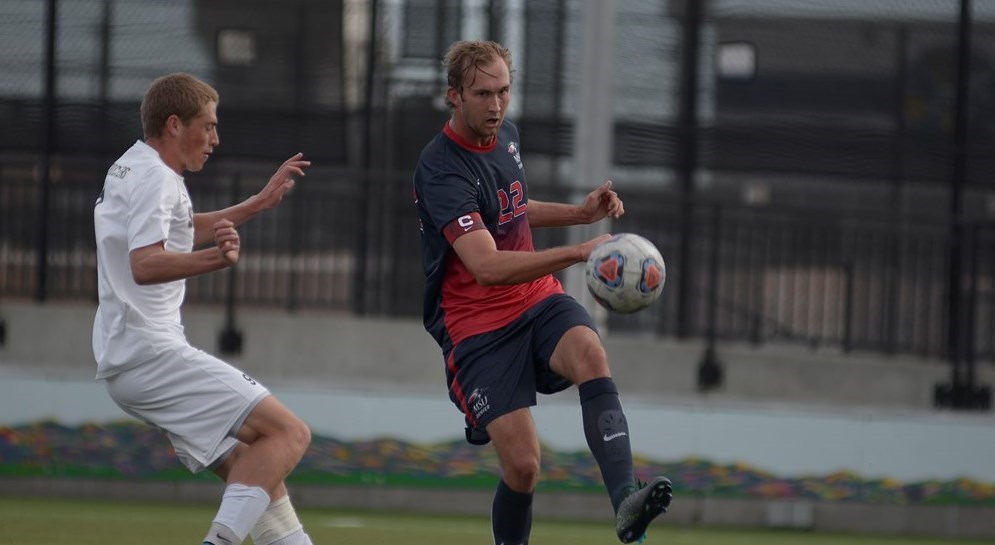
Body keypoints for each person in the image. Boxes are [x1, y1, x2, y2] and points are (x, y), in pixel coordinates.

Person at [412, 40, 672, 544]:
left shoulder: (505, 134)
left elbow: (510, 207)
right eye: (483, 94)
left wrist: (580, 213)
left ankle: (625, 503)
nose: (496, 105)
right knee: (525, 467)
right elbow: (485, 266)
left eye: (504, 91)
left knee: (590, 352)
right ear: (454, 95)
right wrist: (580, 251)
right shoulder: (440, 167)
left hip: (534, 299)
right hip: (476, 327)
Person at [92, 73, 316, 545]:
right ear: (175, 124)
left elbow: (178, 227)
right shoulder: (156, 177)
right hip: (150, 353)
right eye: (208, 126)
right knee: (290, 434)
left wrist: (255, 204)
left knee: (255, 469)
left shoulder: (133, 166)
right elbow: (145, 263)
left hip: (125, 358)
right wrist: (216, 258)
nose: (215, 138)